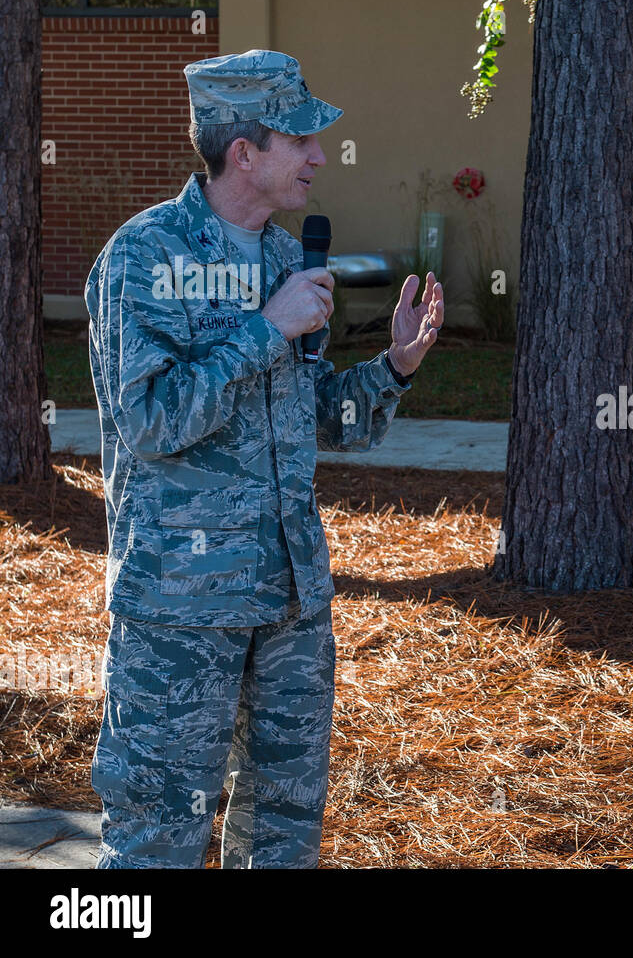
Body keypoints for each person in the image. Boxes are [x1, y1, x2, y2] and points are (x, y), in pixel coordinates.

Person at [84, 49, 444, 867]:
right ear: (243, 150)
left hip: (290, 605)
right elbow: (147, 421)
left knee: (281, 839)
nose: (320, 156)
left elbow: (315, 417)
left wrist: (392, 369)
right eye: (300, 139)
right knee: (155, 842)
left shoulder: (291, 260)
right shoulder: (145, 256)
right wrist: (264, 330)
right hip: (182, 607)